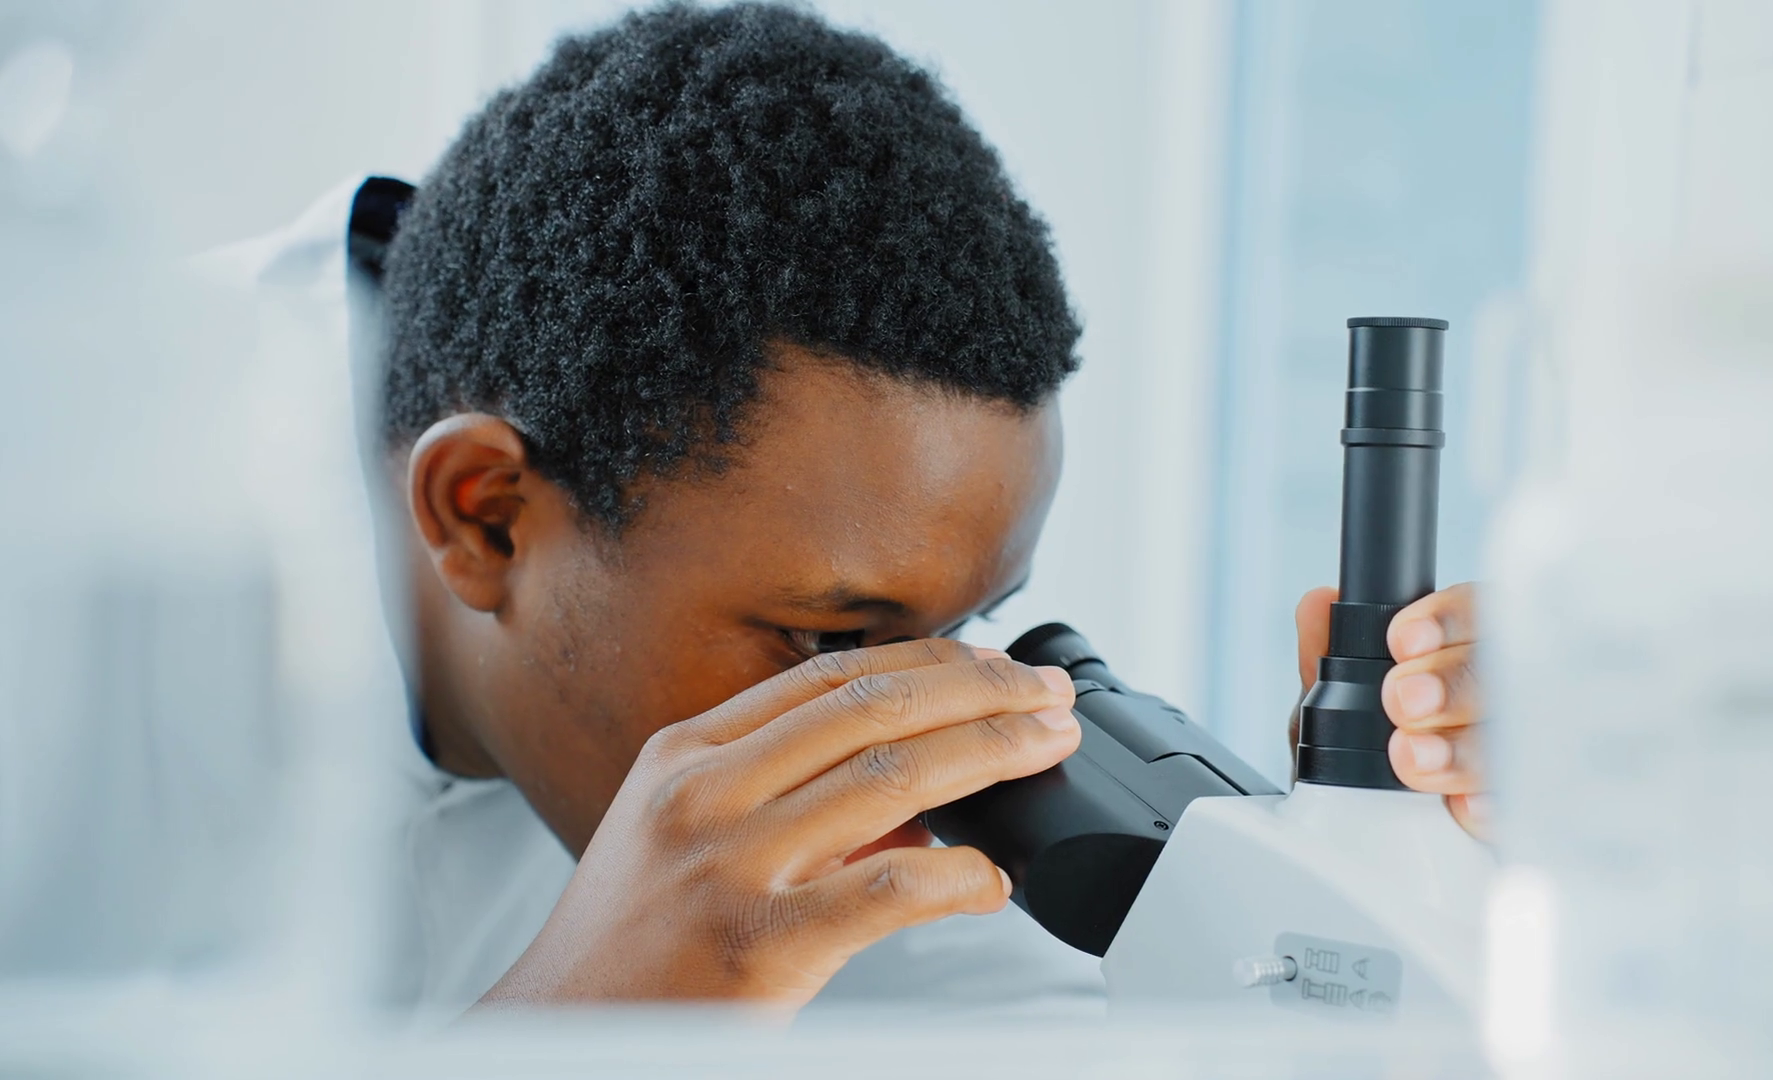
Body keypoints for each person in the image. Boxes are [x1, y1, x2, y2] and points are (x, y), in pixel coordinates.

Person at [222, 1, 1490, 1017]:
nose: (906, 776)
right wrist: (574, 1030)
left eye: (971, 635)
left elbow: (1052, 1018)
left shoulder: (807, 767)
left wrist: (1416, 917)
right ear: (486, 514)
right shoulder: (73, 551)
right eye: (831, 647)